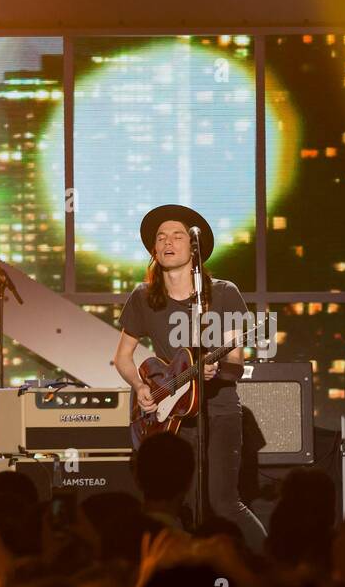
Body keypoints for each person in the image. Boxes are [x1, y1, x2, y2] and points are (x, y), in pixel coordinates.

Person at [113, 204, 267, 552]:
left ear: (193, 247)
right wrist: (140, 388)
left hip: (219, 411)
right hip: (169, 417)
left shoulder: (223, 293)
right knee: (176, 507)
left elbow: (235, 363)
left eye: (177, 236)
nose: (168, 242)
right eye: (161, 237)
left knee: (223, 502)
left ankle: (267, 566)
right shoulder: (142, 296)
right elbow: (122, 358)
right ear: (154, 250)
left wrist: (214, 371)